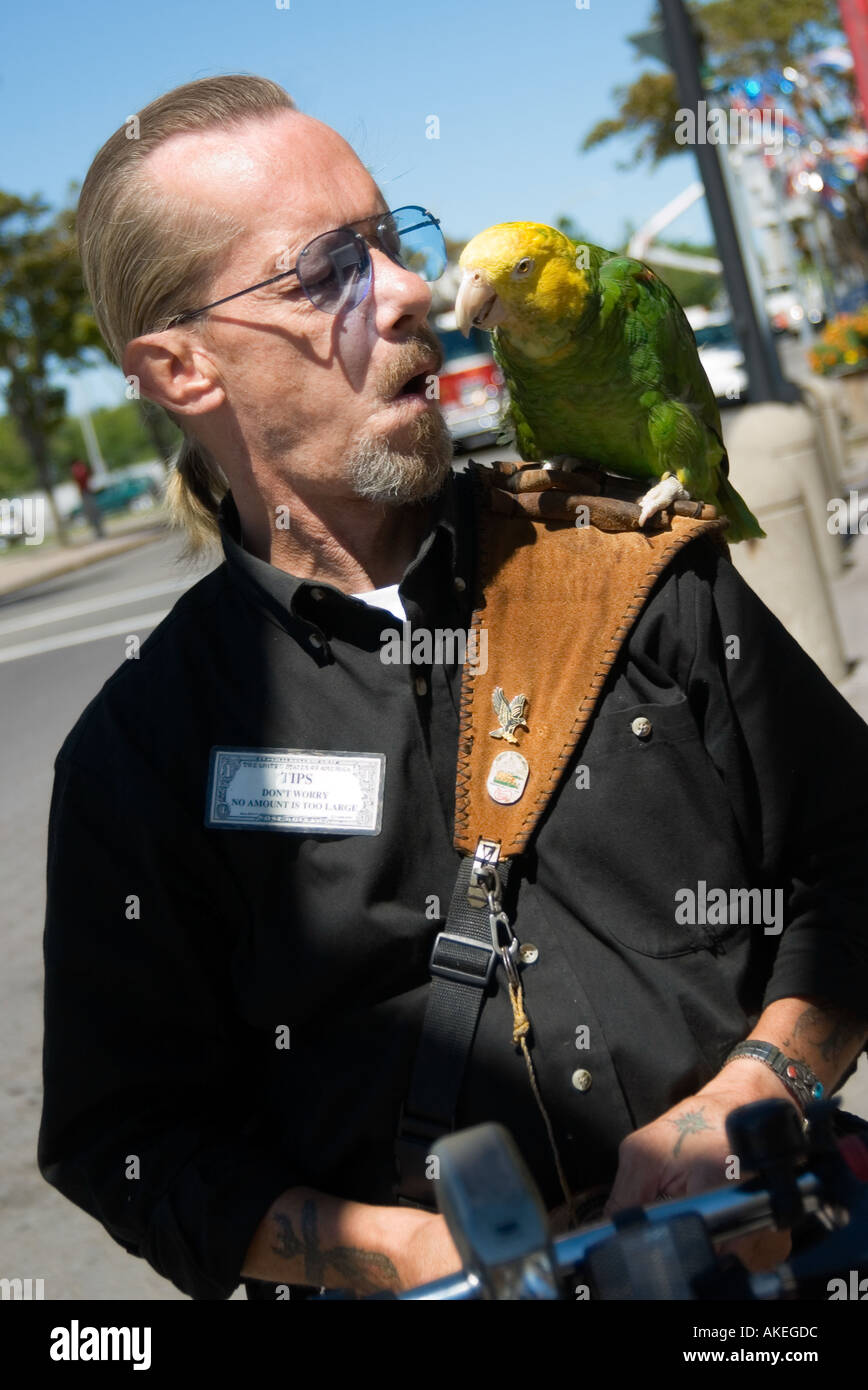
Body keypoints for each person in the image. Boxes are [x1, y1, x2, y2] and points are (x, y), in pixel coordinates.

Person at [38, 74, 868, 1302]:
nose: (415, 289)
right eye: (327, 268)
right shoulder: (144, 747)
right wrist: (408, 1255)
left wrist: (762, 1081)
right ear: (177, 369)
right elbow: (125, 1137)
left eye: (390, 238)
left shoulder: (631, 571)